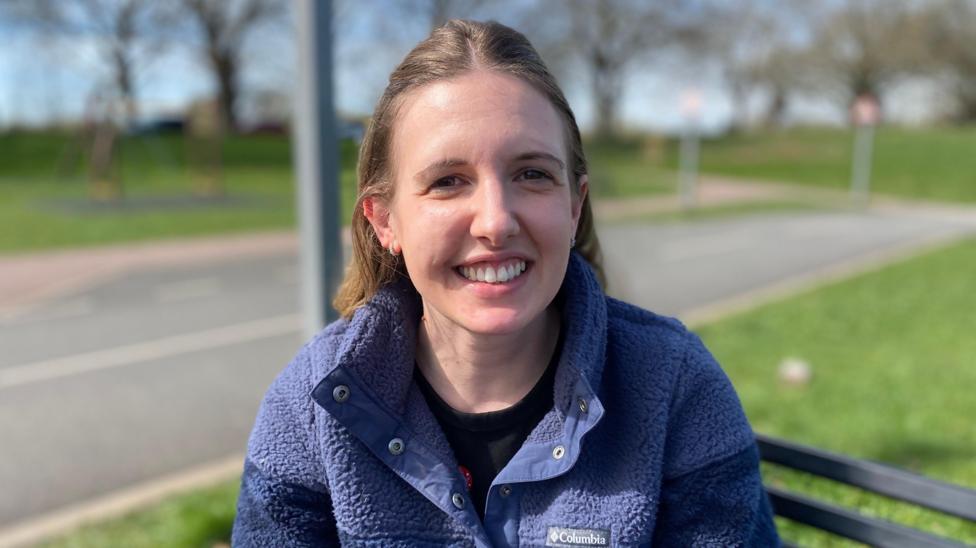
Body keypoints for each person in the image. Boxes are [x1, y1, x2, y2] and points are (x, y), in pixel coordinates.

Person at [232, 19, 778, 547]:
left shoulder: (675, 385)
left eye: (532, 174)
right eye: (448, 182)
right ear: (384, 221)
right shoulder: (310, 406)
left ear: (574, 205)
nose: (496, 220)